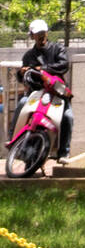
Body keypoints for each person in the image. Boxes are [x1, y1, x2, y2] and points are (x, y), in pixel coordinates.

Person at [6, 19, 73, 162]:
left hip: (56, 92)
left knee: (67, 116)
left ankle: (64, 152)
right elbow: (23, 78)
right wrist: (21, 73)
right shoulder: (28, 56)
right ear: (32, 36)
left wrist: (41, 69)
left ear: (47, 33)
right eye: (37, 34)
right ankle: (13, 141)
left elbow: (63, 65)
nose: (41, 36)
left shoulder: (58, 49)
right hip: (36, 94)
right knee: (22, 103)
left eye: (42, 33)